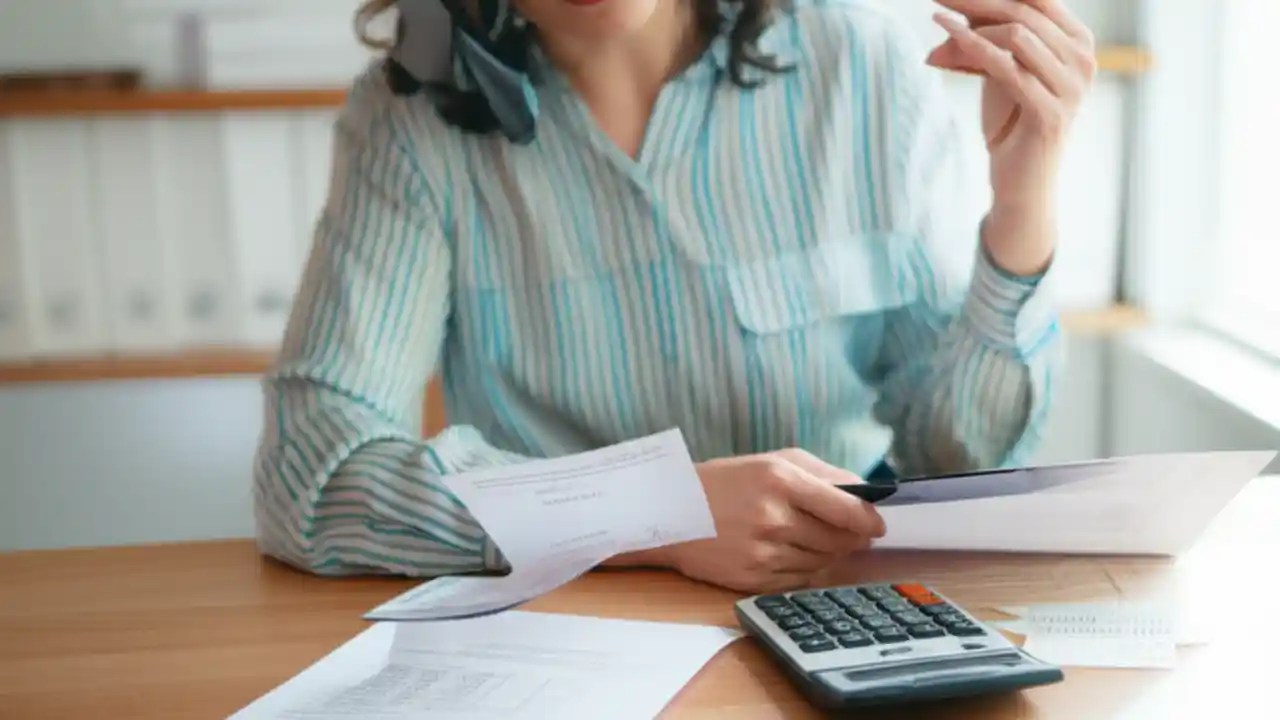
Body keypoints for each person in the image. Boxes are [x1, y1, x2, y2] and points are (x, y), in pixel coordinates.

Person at [252, 0, 1093, 593]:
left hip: (838, 609)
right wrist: (653, 515)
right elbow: (315, 481)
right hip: (569, 637)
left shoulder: (862, 66)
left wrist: (1021, 208)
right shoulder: (409, 124)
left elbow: (957, 464)